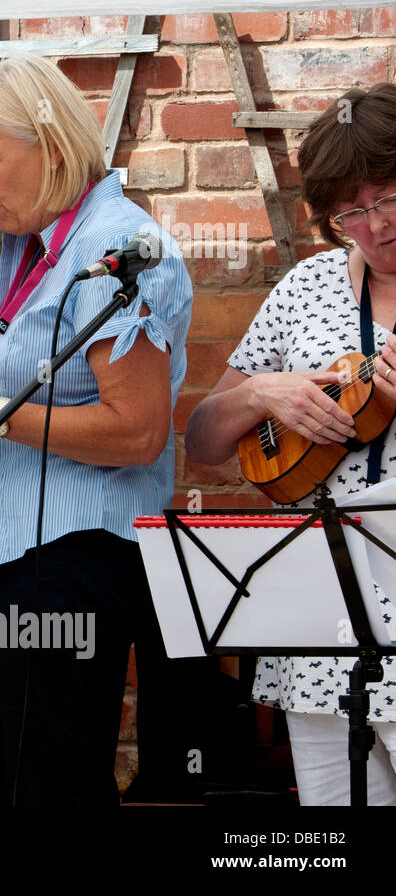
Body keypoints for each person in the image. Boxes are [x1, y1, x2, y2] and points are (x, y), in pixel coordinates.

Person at [0, 54, 192, 805]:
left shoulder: (115, 249)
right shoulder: (30, 249)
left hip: (72, 562)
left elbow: (138, 432)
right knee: (20, 785)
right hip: (8, 555)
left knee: (52, 789)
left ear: (50, 145)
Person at [186, 83, 396, 806]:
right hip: (324, 623)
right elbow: (203, 439)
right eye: (352, 209)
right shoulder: (306, 287)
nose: (376, 225)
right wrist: (258, 394)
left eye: (390, 196)